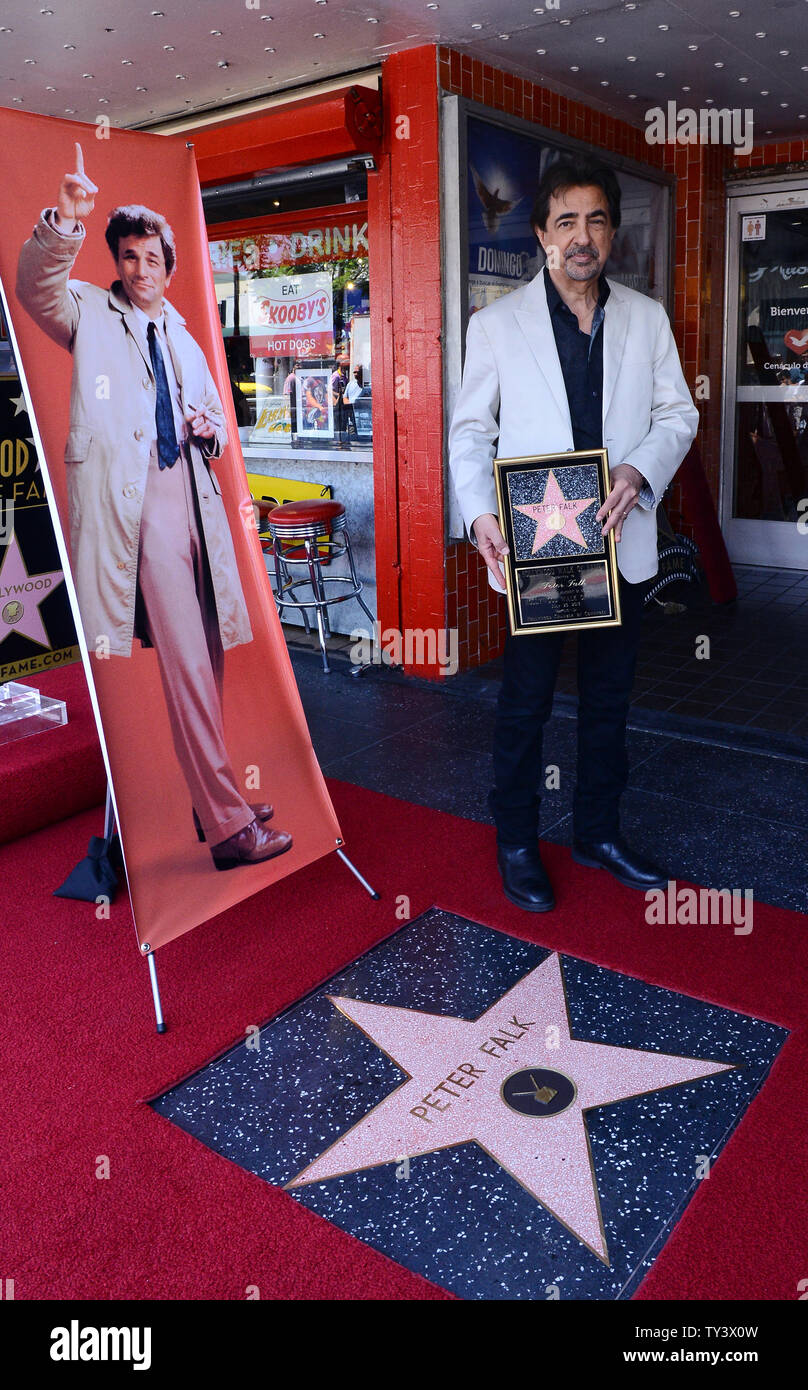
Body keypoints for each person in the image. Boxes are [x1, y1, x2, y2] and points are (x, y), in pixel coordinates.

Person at [16, 143, 292, 871]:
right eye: (129, 257)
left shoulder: (184, 333)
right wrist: (65, 221)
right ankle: (231, 830)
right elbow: (34, 286)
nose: (141, 270)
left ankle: (214, 801)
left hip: (195, 501)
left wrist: (209, 425)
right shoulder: (88, 310)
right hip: (138, 510)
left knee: (208, 658)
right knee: (188, 671)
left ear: (170, 264)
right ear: (117, 262)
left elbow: (215, 419)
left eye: (152, 258)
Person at [449, 155, 698, 912]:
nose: (581, 236)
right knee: (526, 702)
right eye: (566, 221)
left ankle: (597, 832)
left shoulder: (646, 318)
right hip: (541, 541)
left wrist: (640, 471)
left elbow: (678, 415)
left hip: (620, 535)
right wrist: (480, 515)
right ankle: (518, 841)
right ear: (540, 234)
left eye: (595, 219)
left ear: (612, 232)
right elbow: (469, 432)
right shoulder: (496, 325)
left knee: (609, 700)